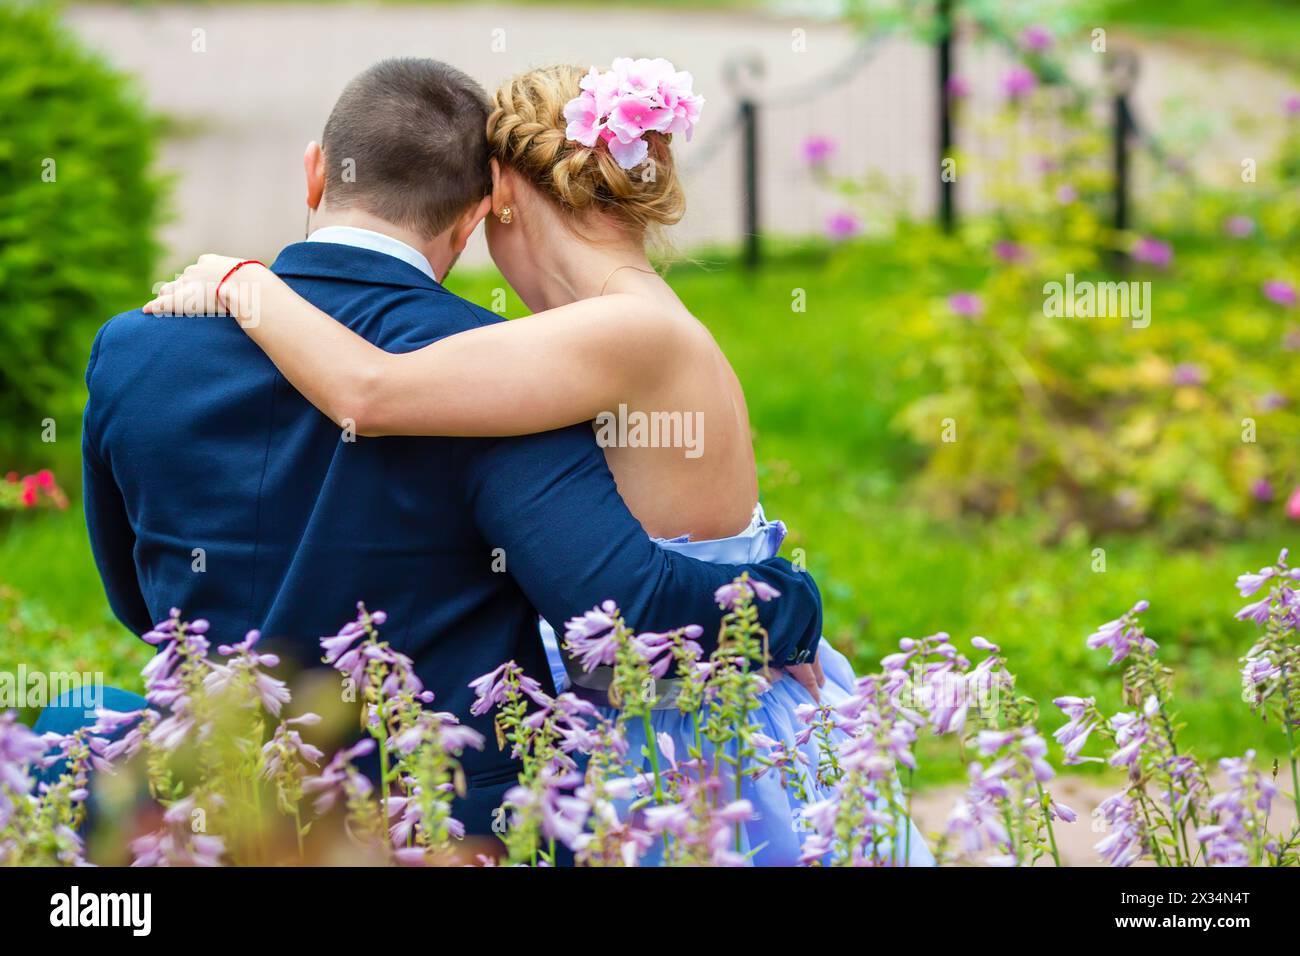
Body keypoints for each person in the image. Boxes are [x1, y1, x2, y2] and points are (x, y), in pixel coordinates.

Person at [148, 58, 931, 865]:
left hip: (674, 744)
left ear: (503, 198)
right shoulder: (639, 318)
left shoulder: (622, 332)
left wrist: (247, 282)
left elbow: (370, 393)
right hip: (691, 703)